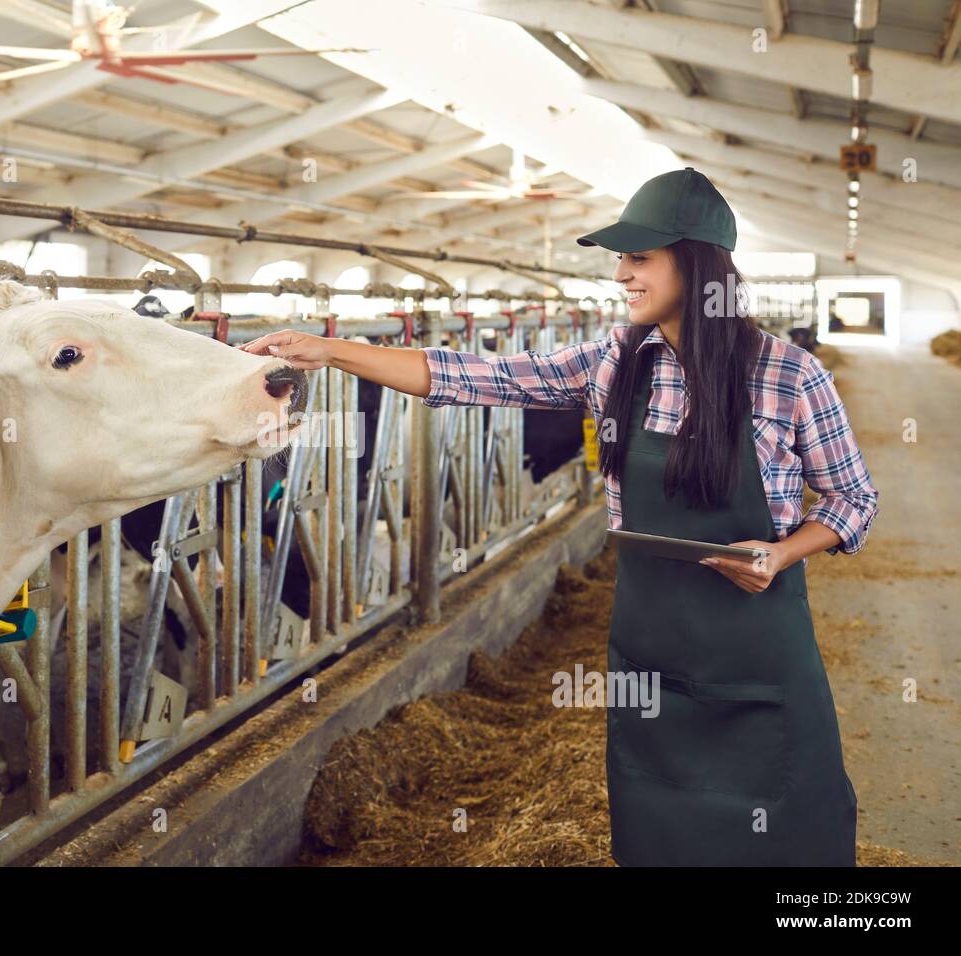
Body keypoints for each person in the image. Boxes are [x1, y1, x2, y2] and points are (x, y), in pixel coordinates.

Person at [239, 167, 878, 866]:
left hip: (759, 662)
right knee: (663, 836)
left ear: (697, 265)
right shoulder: (616, 361)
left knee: (788, 832)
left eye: (639, 258)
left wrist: (784, 553)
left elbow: (853, 501)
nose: (620, 274)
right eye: (620, 258)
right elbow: (474, 375)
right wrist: (331, 351)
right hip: (652, 660)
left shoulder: (787, 375)